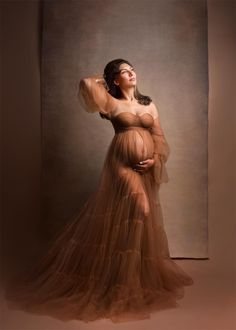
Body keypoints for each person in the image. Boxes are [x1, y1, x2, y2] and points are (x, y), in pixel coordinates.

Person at [4, 58, 194, 323]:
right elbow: (85, 83)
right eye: (125, 71)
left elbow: (160, 137)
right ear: (115, 79)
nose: (132, 73)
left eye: (133, 69)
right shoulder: (110, 102)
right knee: (141, 208)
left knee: (137, 217)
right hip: (121, 165)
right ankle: (120, 282)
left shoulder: (149, 103)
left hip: (144, 168)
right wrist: (106, 80)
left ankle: (128, 275)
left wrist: (154, 159)